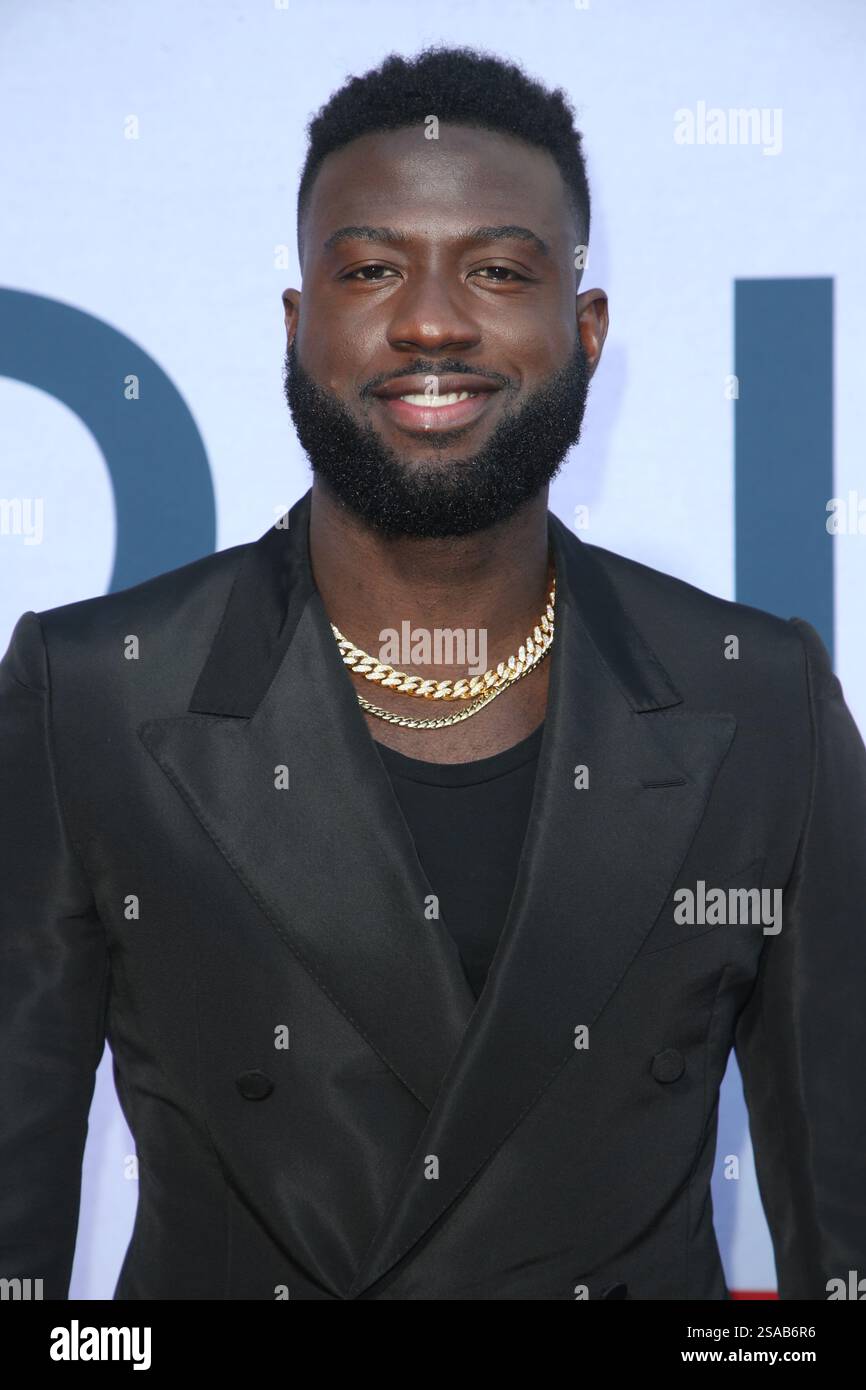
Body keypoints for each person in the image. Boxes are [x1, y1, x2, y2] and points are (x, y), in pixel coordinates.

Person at [1, 45, 864, 1302]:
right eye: (369, 269)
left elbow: (844, 1229)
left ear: (584, 328)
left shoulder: (756, 696)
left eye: (498, 270)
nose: (430, 320)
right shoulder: (90, 695)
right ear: (298, 325)